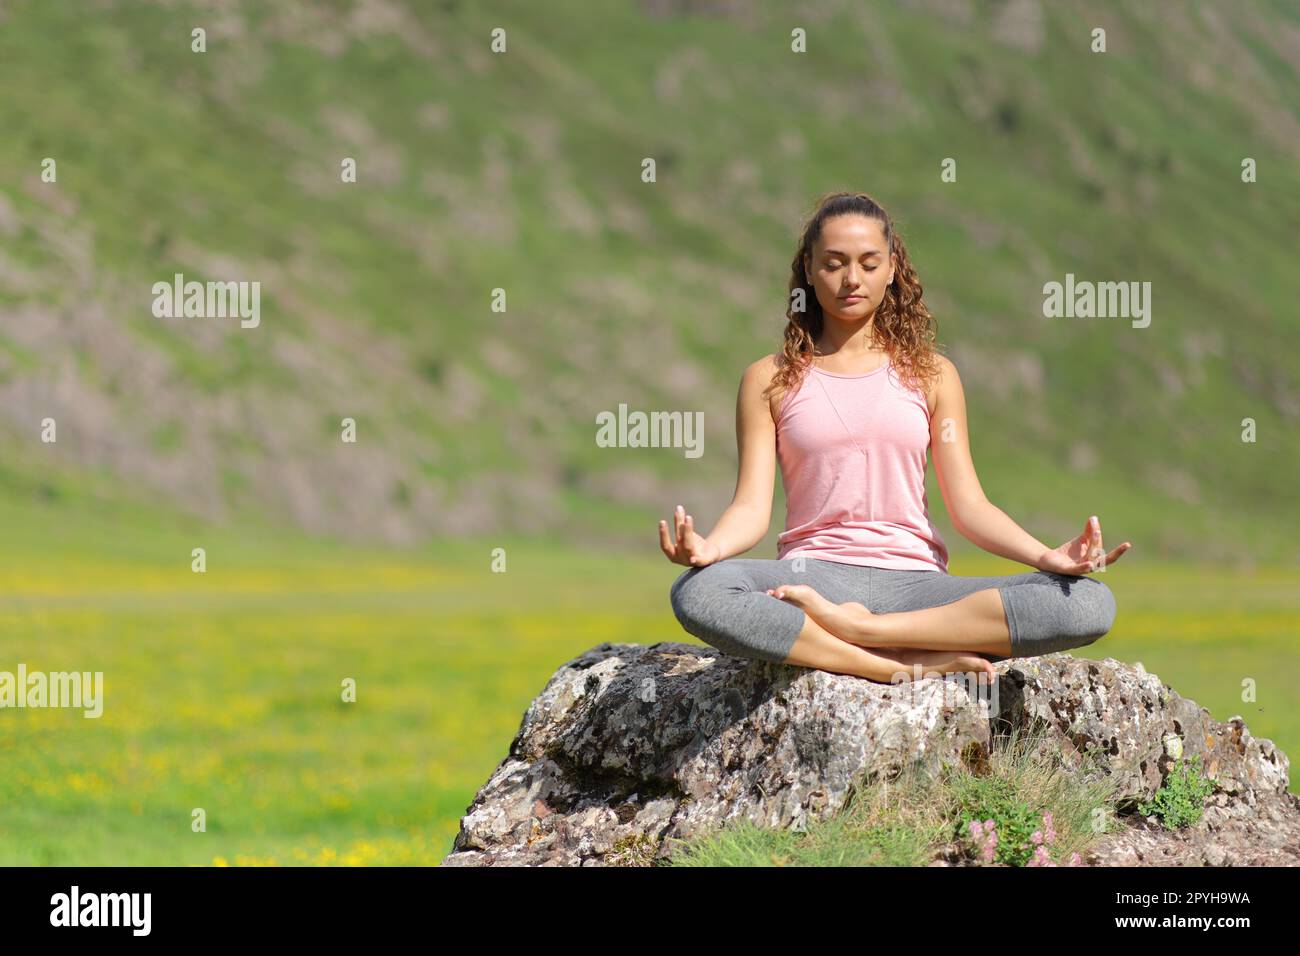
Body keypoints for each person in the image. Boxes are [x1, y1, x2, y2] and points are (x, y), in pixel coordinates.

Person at [659, 191, 1131, 684]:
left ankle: (864, 631)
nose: (851, 279)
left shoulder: (932, 375)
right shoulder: (768, 379)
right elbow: (752, 508)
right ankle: (893, 665)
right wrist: (710, 549)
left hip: (916, 584)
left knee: (1089, 602)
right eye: (834, 263)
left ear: (891, 269)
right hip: (813, 575)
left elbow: (969, 507)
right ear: (808, 269)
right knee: (698, 591)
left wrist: (1047, 557)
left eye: (868, 263)